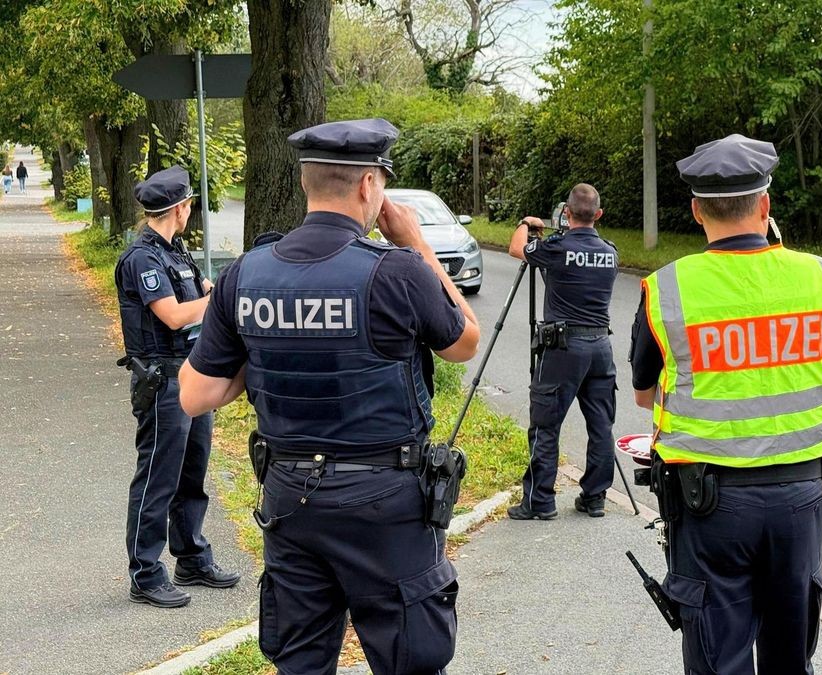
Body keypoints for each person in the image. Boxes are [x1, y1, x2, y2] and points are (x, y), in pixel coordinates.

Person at [178, 118, 481, 675]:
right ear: (370, 186)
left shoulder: (246, 274)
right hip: (387, 502)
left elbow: (196, 396)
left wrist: (272, 344)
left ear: (304, 183)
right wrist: (415, 242)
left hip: (291, 497)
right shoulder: (398, 271)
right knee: (411, 659)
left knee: (300, 663)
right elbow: (465, 341)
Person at [628, 134, 822, 674]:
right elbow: (821, 363)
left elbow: (644, 392)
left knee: (717, 657)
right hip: (802, 498)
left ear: (696, 210)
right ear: (766, 204)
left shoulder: (667, 290)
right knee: (790, 657)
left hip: (710, 507)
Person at [115, 165, 240, 608]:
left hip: (190, 375)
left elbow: (201, 292)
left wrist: (211, 294)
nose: (190, 212)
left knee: (193, 472)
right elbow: (173, 315)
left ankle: (190, 556)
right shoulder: (142, 259)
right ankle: (145, 573)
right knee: (157, 478)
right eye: (189, 205)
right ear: (180, 208)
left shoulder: (176, 252)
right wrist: (221, 299)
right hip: (162, 382)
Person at [505, 184, 620, 520]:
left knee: (545, 425)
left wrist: (527, 225)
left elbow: (517, 249)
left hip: (563, 347)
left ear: (567, 213)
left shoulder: (557, 247)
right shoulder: (611, 252)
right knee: (601, 424)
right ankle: (595, 498)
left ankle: (540, 501)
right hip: (601, 347)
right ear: (598, 215)